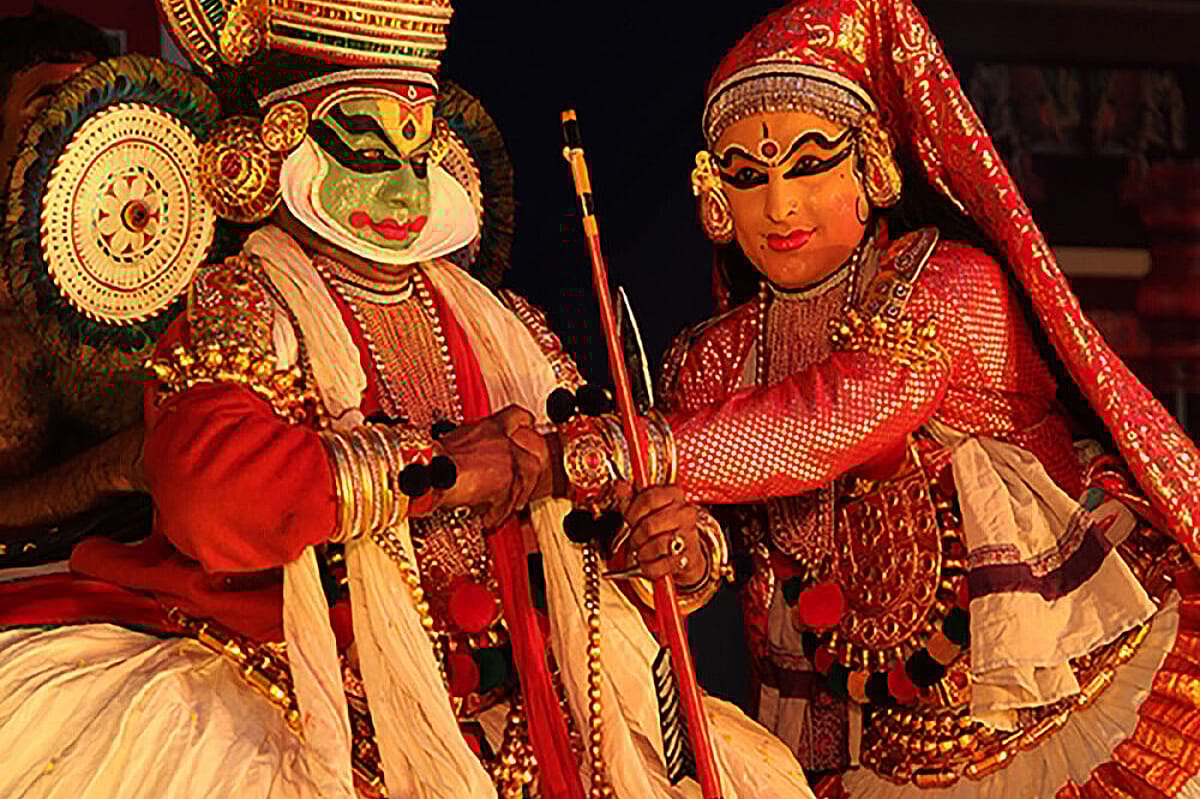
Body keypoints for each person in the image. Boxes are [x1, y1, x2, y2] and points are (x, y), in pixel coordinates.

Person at [0, 2, 815, 797]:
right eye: (363, 144)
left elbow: (604, 493)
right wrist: (443, 469)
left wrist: (679, 545)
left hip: (527, 705)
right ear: (280, 145)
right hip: (309, 700)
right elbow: (210, 491)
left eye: (415, 148)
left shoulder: (503, 323)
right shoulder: (246, 303)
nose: (400, 187)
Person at [561, 0, 1200, 795]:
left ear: (871, 166)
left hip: (1052, 700)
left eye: (809, 164)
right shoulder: (715, 356)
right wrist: (687, 550)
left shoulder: (948, 285)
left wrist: (615, 448)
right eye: (748, 177)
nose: (781, 207)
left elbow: (837, 414)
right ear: (714, 194)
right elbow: (732, 543)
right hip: (874, 739)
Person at [0, 6, 147, 565]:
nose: (77, 134)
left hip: (149, 575)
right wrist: (116, 468)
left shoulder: (169, 271)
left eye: (95, 111)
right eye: (46, 110)